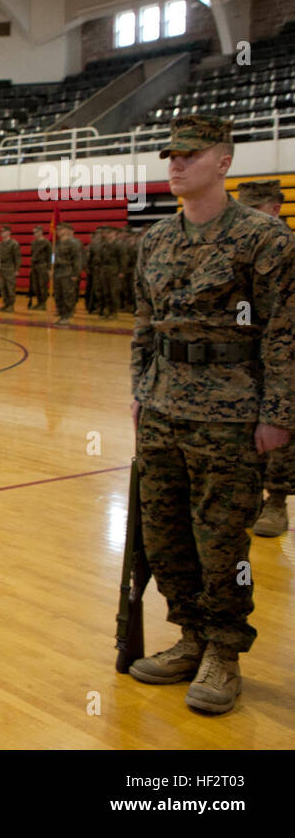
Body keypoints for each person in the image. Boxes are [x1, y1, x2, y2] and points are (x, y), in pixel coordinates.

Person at [129, 117, 295, 714]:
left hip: (231, 412)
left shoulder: (265, 239)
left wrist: (278, 413)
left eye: (189, 155)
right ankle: (190, 637)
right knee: (165, 535)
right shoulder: (155, 240)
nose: (175, 164)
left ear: (223, 162)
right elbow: (145, 325)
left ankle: (225, 651)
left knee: (222, 541)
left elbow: (284, 332)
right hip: (163, 407)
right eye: (170, 155)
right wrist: (138, 390)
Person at [237, 179, 293, 537]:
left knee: (282, 423)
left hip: (283, 354)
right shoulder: (239, 248)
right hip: (245, 355)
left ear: (274, 209)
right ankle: (250, 496)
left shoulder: (287, 250)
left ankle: (277, 500)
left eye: (253, 211)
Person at [52, 222, 82, 325]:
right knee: (58, 295)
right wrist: (51, 267)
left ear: (66, 230)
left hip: (67, 272)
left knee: (67, 295)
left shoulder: (72, 243)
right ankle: (61, 314)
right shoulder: (57, 243)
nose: (58, 231)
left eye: (61, 229)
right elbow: (53, 256)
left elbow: (77, 259)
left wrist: (75, 274)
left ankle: (66, 315)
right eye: (57, 230)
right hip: (57, 272)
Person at [0, 225, 20, 312]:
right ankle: (6, 304)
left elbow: (17, 258)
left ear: (9, 232)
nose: (2, 233)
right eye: (1, 231)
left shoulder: (14, 244)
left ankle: (11, 306)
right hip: (2, 269)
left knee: (10, 288)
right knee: (3, 288)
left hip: (10, 269)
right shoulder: (0, 244)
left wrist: (17, 269)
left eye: (4, 231)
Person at [27, 225, 51, 311]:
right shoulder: (33, 243)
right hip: (34, 267)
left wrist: (49, 269)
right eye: (33, 232)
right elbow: (32, 255)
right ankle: (38, 302)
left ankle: (43, 303)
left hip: (43, 266)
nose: (34, 234)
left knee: (42, 286)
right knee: (35, 286)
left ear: (41, 232)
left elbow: (50, 256)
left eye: (36, 232)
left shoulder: (46, 243)